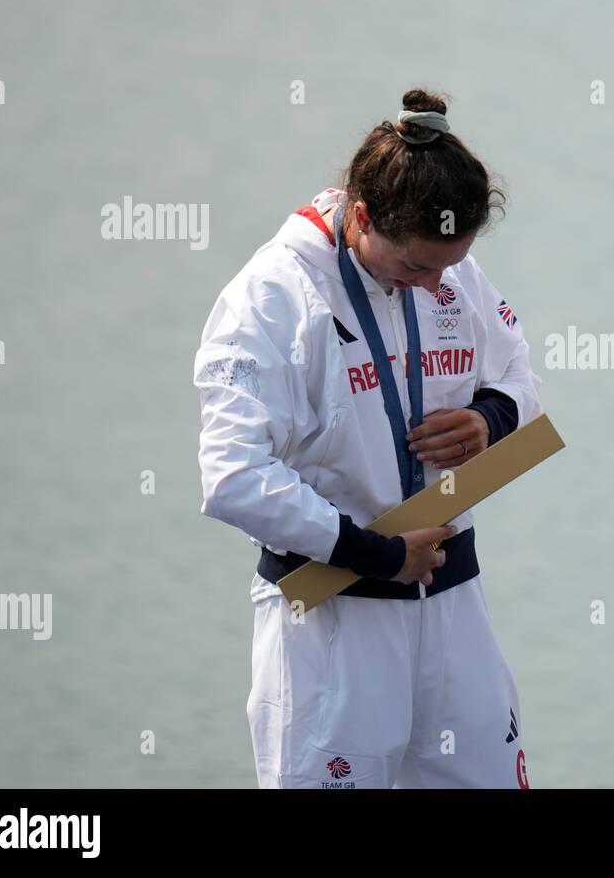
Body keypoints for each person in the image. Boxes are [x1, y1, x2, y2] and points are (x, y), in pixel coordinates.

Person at [194, 89, 541, 789]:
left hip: (453, 609)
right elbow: (232, 477)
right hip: (334, 621)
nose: (438, 285)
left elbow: (520, 377)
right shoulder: (270, 299)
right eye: (419, 269)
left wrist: (490, 420)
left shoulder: (448, 269)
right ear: (361, 218)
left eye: (452, 265)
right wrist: (376, 554)